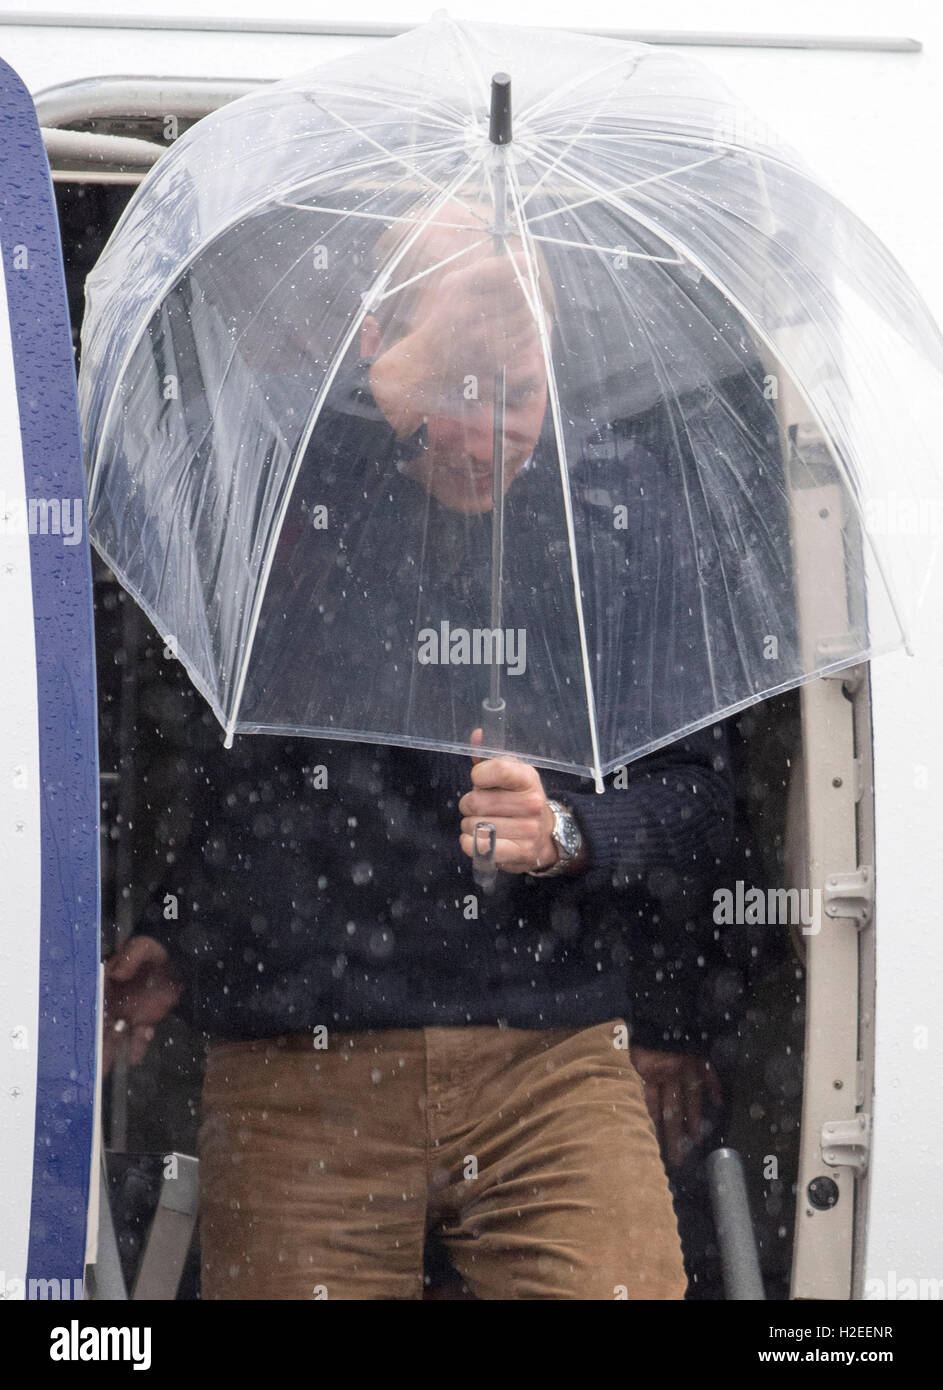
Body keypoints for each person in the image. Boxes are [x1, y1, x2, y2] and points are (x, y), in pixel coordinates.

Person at [104, 199, 744, 1300]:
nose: (486, 430)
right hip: (302, 1062)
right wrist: (182, 930)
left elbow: (703, 800)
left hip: (551, 1060)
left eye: (519, 393)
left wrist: (571, 830)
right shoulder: (277, 493)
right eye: (454, 386)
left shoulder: (615, 512)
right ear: (371, 351)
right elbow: (237, 769)